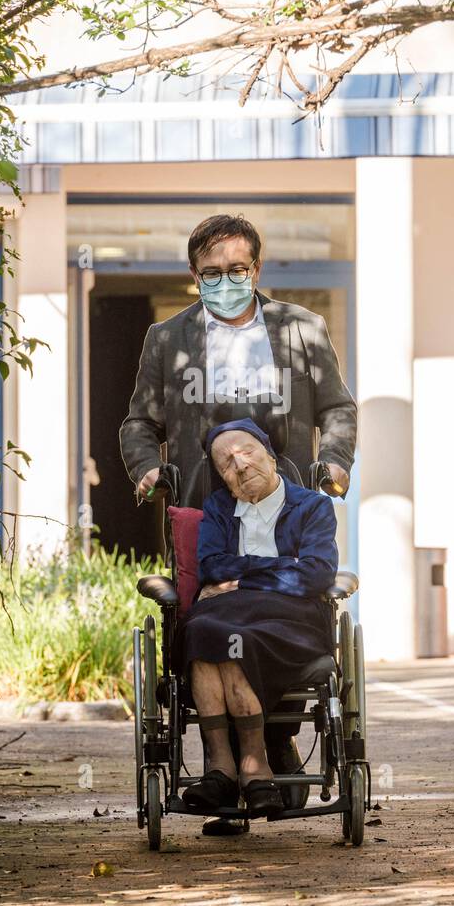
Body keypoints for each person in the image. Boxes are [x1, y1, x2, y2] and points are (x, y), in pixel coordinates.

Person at [120, 213, 356, 804]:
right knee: (216, 621)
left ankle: (279, 745)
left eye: (237, 271)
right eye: (211, 273)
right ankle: (224, 768)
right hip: (205, 507)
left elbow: (337, 407)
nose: (224, 281)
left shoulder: (301, 329)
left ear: (257, 269)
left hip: (286, 498)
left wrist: (334, 459)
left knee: (284, 613)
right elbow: (139, 422)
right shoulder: (167, 339)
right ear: (194, 275)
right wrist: (147, 466)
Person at [178, 418, 338, 818]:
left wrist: (245, 575)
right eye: (226, 463)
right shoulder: (218, 508)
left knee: (231, 640)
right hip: (223, 609)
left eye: (246, 452)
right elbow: (212, 567)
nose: (240, 465)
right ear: (222, 479)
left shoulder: (313, 506)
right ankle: (223, 766)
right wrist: (284, 567)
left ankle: (252, 763)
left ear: (270, 454)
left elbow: (318, 573)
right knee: (199, 631)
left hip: (291, 618)